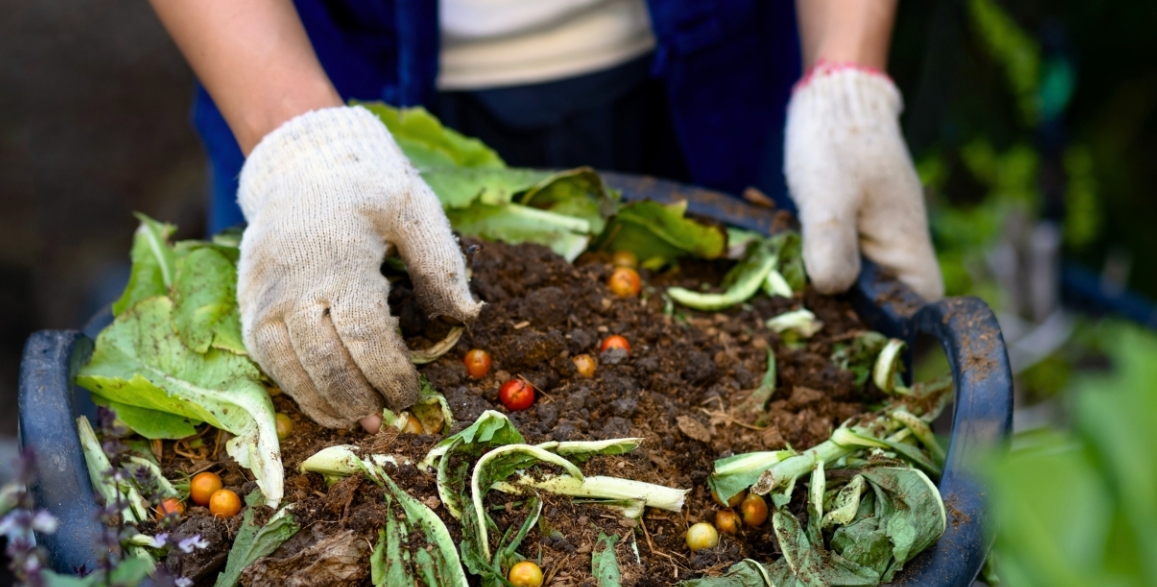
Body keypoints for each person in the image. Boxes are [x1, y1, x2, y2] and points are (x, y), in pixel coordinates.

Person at [147, 0, 943, 430]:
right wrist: (298, 144)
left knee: (804, 363)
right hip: (323, 71)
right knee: (316, 356)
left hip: (714, 74)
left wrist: (847, 66)